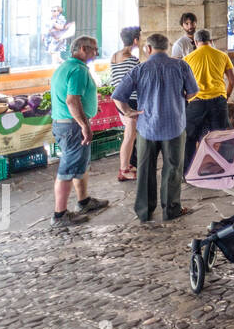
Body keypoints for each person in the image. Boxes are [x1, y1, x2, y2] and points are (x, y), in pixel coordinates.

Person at [112, 33, 198, 223]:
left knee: (145, 169)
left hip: (146, 127)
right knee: (173, 168)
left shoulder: (140, 69)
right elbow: (192, 91)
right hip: (174, 126)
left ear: (148, 49)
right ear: (167, 47)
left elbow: (118, 95)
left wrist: (127, 111)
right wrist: (181, 98)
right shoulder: (181, 66)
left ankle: (144, 211)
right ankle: (171, 210)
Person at [49, 36, 109, 230]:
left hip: (65, 124)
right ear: (83, 48)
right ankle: (60, 214)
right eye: (95, 49)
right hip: (72, 127)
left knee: (78, 165)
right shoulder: (78, 70)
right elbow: (72, 101)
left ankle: (83, 201)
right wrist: (84, 125)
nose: (96, 53)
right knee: (67, 170)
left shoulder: (65, 67)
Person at [182, 29, 234, 170]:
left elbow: (182, 86)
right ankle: (223, 169)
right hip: (218, 101)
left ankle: (188, 171)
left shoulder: (187, 59)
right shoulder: (222, 56)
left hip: (196, 103)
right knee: (221, 136)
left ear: (195, 42)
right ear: (211, 41)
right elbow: (233, 81)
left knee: (190, 138)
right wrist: (226, 96)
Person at [110, 26, 141, 181]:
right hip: (130, 100)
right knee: (129, 135)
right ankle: (123, 169)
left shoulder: (114, 57)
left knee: (129, 134)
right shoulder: (133, 60)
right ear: (135, 40)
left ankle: (128, 165)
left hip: (118, 100)